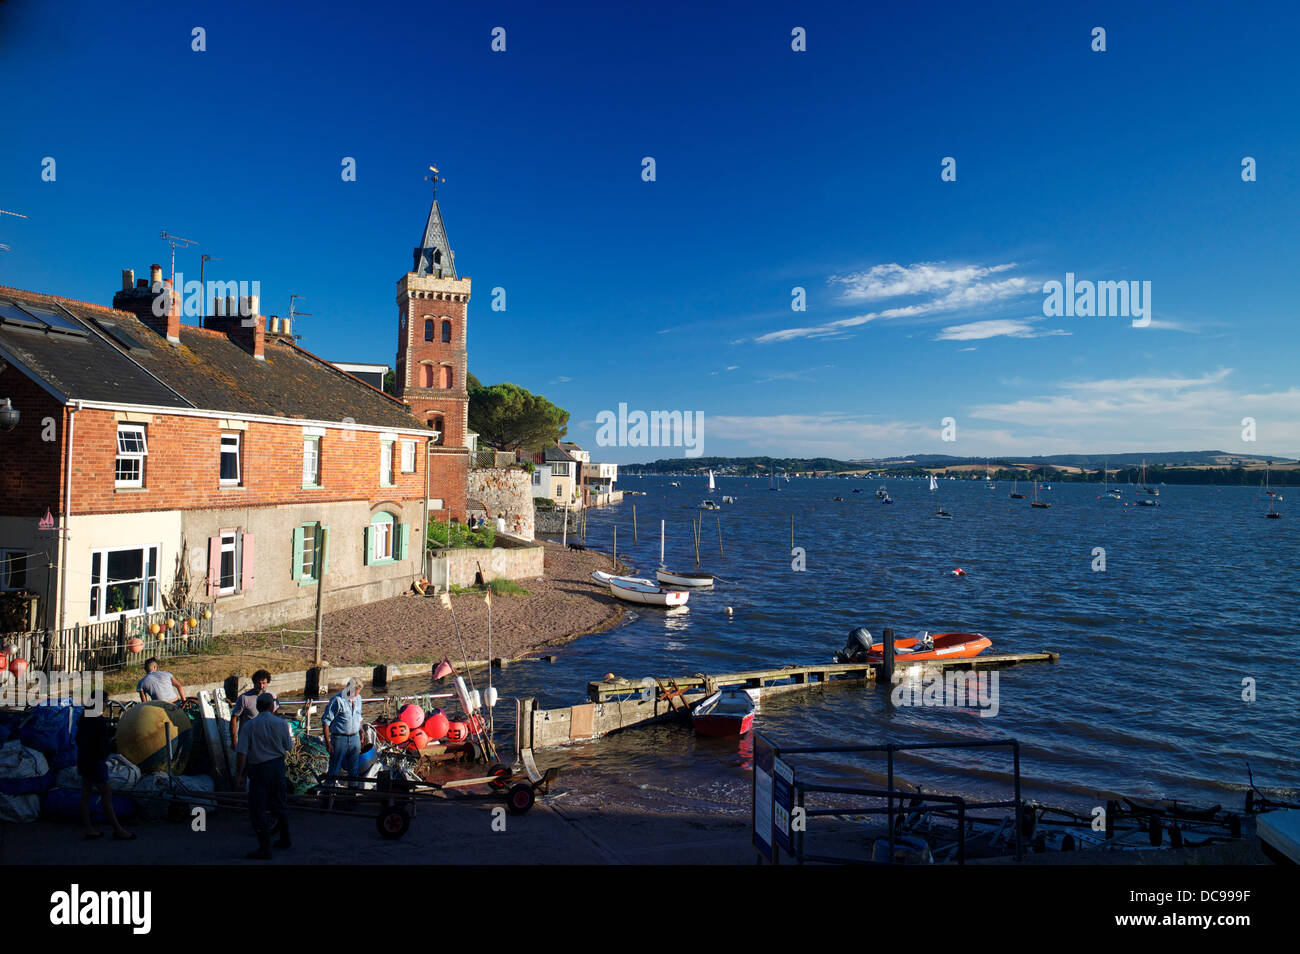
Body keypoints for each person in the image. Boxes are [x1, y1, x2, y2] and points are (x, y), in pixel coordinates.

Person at [233, 693, 293, 859]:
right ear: (272, 706)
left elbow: (242, 752)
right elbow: (288, 746)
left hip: (259, 768)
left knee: (258, 808)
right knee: (280, 802)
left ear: (258, 707)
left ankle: (265, 847)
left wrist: (240, 774)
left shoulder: (249, 726)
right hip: (278, 767)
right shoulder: (281, 723)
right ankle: (285, 838)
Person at [77, 691, 134, 841]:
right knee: (106, 795)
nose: (106, 706)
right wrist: (112, 741)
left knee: (86, 795)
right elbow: (101, 744)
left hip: (84, 760)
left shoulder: (84, 717)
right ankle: (118, 829)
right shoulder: (98, 720)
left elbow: (81, 740)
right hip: (96, 762)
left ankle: (89, 828)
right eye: (105, 702)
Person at [322, 678, 363, 790]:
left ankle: (352, 792)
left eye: (357, 693)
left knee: (354, 768)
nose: (355, 696)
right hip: (340, 738)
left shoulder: (358, 699)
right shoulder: (337, 700)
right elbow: (326, 722)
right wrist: (328, 742)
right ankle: (329, 792)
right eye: (354, 693)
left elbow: (358, 716)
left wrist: (361, 730)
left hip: (355, 737)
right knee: (335, 767)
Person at [230, 669, 276, 747]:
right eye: (259, 683)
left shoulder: (272, 696)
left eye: (264, 683)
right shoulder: (244, 698)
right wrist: (234, 740)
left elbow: (275, 716)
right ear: (254, 683)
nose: (261, 686)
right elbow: (234, 718)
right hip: (248, 740)